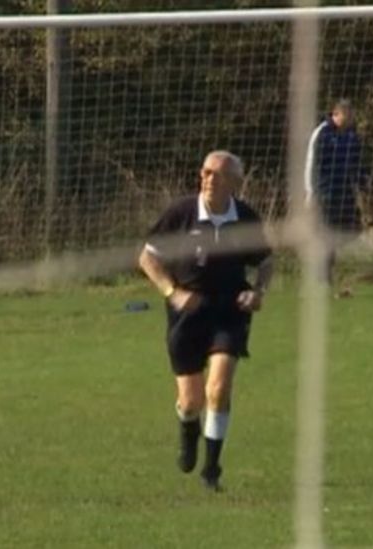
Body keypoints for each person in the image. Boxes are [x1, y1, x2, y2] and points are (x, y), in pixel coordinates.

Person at [138, 151, 274, 491]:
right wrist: (172, 292)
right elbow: (147, 258)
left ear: (234, 183)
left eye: (217, 174)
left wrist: (258, 292)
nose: (209, 178)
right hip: (188, 312)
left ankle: (211, 471)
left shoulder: (245, 218)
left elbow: (267, 261)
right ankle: (187, 428)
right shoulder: (181, 214)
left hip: (229, 310)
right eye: (206, 172)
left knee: (219, 387)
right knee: (191, 401)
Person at [304, 99, 367, 295]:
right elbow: (312, 165)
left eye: (351, 116)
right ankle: (322, 278)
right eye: (345, 116)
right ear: (335, 115)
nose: (349, 120)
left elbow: (357, 162)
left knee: (355, 228)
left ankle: (322, 267)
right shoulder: (322, 134)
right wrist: (311, 193)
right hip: (325, 193)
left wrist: (362, 182)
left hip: (345, 192)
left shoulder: (351, 135)